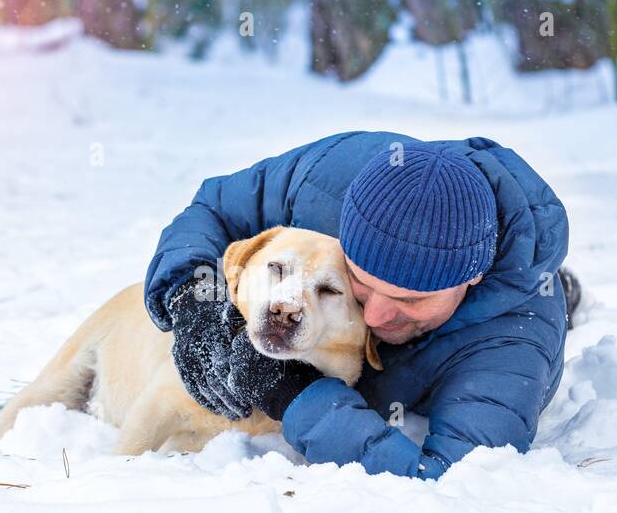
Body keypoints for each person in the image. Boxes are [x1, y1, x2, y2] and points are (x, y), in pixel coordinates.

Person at [143, 132, 575, 479]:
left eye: (411, 298)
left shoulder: (512, 345)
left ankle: (569, 291)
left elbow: (448, 486)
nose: (375, 317)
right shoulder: (333, 179)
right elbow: (215, 209)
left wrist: (297, 395)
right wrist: (192, 299)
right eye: (361, 285)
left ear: (472, 276)